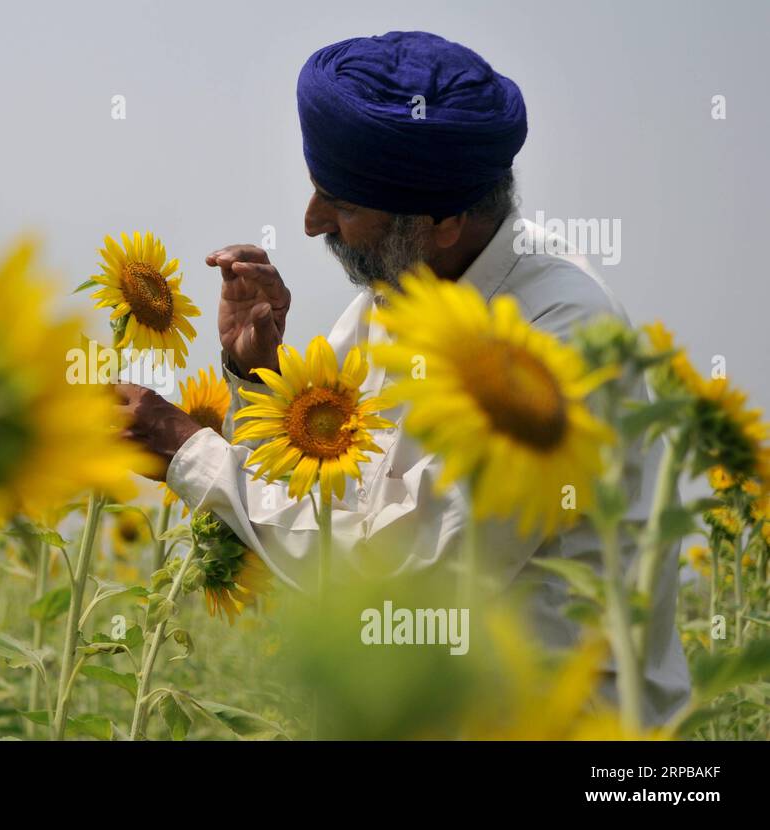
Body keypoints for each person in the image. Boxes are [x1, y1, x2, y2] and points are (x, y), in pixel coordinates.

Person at [114, 30, 689, 725]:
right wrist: (259, 380)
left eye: (344, 204)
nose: (310, 222)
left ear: (442, 221)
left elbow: (401, 580)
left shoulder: (557, 345)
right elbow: (330, 498)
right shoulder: (402, 296)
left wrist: (185, 448)